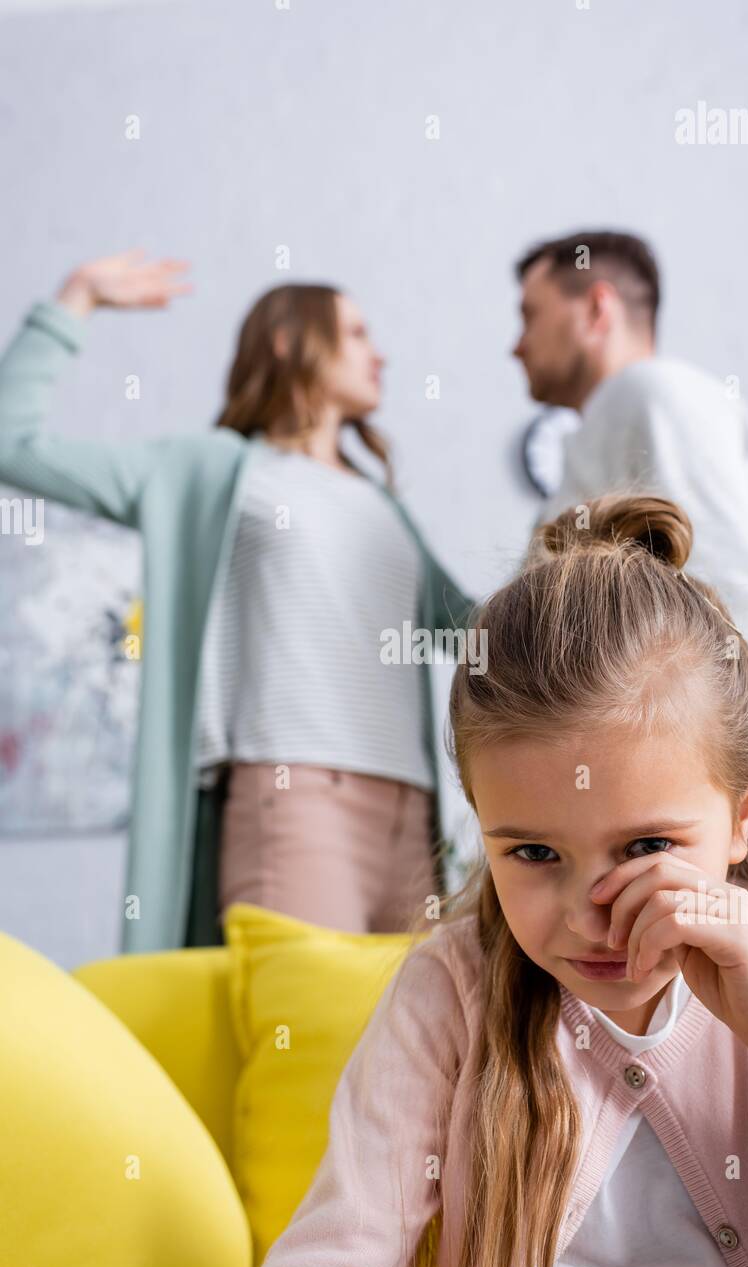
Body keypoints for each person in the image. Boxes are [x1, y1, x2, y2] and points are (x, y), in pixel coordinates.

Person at [248, 493, 748, 1267]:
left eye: (646, 848)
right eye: (534, 852)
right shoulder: (449, 994)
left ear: (742, 812)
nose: (589, 914)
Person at [0, 251, 475, 953]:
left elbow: (472, 631)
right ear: (288, 341)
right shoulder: (209, 470)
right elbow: (14, 441)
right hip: (298, 800)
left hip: (412, 818)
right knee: (308, 1042)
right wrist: (78, 298)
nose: (381, 355)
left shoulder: (380, 506)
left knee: (433, 1052)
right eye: (356, 334)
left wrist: (581, 554)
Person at [512, 229, 748, 778]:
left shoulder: (653, 392)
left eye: (529, 315)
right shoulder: (620, 413)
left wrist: (733, 795)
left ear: (597, 308)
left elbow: (735, 593)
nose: (517, 344)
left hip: (711, 784)